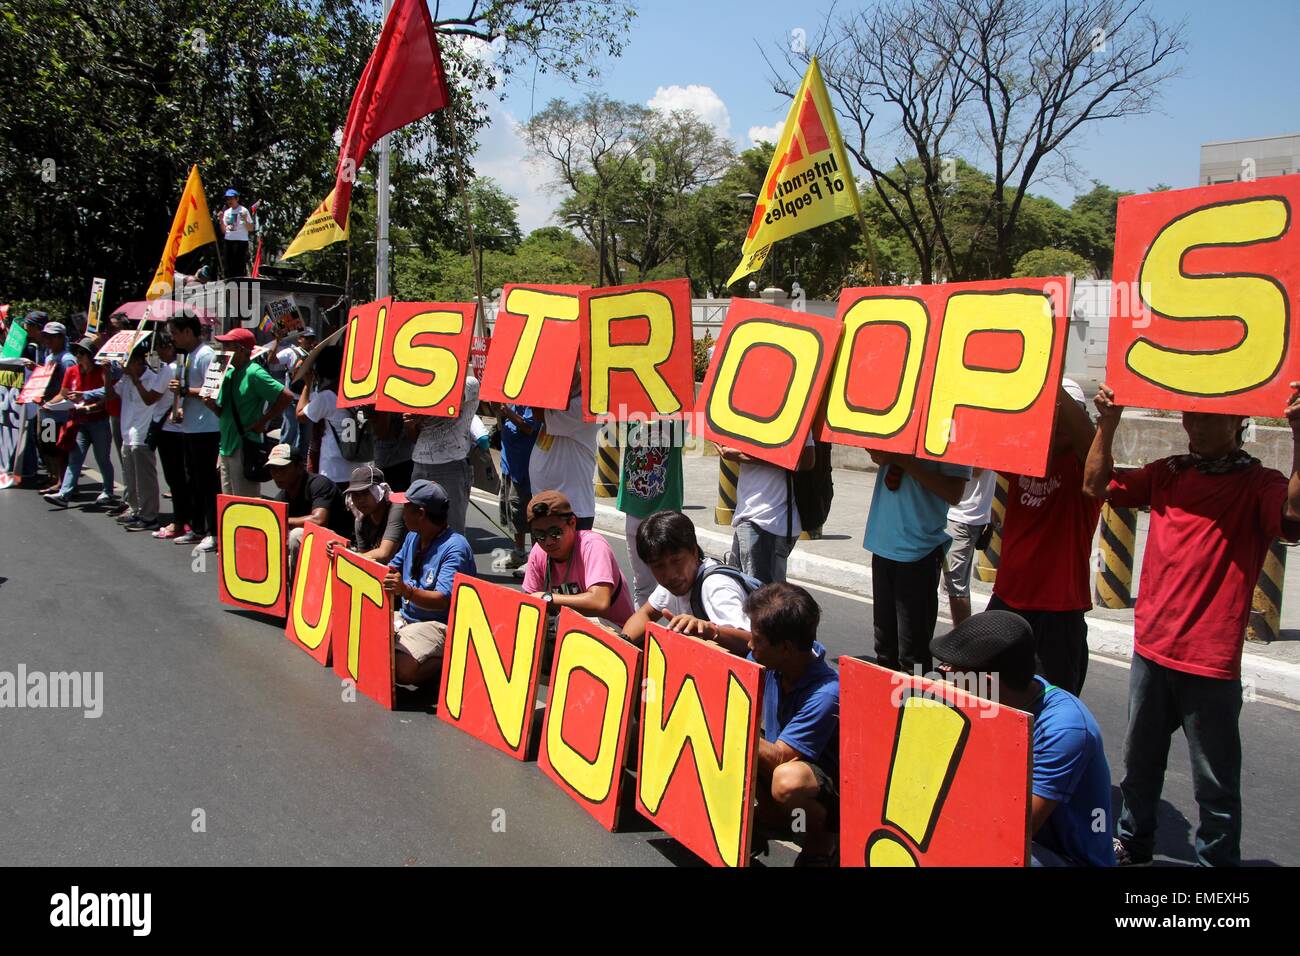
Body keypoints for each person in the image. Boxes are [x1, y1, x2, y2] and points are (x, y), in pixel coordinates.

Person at [1085, 382, 1300, 868]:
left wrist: (1298, 433)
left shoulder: (1258, 484)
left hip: (1209, 664)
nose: (1195, 426)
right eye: (1191, 416)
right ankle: (1133, 845)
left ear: (1238, 423)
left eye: (1209, 418)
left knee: (1215, 786)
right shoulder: (1168, 473)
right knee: (1139, 769)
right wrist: (1108, 422)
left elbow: (1294, 515)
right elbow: (1095, 486)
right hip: (1150, 652)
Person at [931, 610, 1115, 867]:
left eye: (952, 673)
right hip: (1012, 828)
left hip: (1064, 855)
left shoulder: (1065, 730)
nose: (945, 678)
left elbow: (1014, 832)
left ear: (985, 683)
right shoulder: (1009, 694)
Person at [989, 381, 1100, 695]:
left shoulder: (1088, 471)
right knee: (991, 699)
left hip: (1057, 612)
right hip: (1007, 600)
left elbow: (1087, 440)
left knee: (1048, 704)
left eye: (1060, 417)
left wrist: (1049, 377)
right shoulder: (1023, 456)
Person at [745, 582, 840, 867]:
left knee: (788, 782)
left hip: (822, 788)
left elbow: (780, 759)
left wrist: (722, 719)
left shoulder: (827, 693)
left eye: (757, 640)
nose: (750, 645)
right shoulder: (774, 660)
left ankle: (821, 844)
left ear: (785, 647)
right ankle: (768, 822)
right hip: (780, 767)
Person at [863, 451, 970, 677]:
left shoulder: (950, 430)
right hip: (883, 542)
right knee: (884, 650)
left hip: (919, 551)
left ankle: (914, 708)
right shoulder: (899, 420)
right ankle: (886, 709)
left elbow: (954, 493)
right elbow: (877, 456)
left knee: (913, 656)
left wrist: (904, 461)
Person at [382, 479, 477, 687]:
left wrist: (406, 591)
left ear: (421, 513)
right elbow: (388, 568)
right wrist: (348, 554)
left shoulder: (455, 547)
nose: (401, 511)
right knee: (369, 644)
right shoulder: (412, 537)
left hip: (439, 624)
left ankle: (452, 663)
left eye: (406, 507)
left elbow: (443, 600)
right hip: (407, 617)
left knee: (399, 669)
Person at [622, 509, 755, 655]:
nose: (670, 574)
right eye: (658, 566)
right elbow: (646, 613)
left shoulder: (716, 587)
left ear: (694, 552)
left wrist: (710, 630)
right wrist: (622, 645)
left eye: (676, 561)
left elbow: (752, 643)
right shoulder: (674, 583)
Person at [520, 490, 635, 630]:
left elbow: (600, 603)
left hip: (615, 632)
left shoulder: (592, 546)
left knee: (563, 622)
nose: (548, 542)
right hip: (565, 628)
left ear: (572, 522)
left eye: (555, 532)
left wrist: (548, 598)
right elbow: (529, 605)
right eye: (540, 535)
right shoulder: (538, 552)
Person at [207, 327, 295, 498]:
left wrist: (262, 422)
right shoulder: (229, 372)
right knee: (228, 502)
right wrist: (210, 405)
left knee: (245, 503)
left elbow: (286, 397)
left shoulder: (254, 373)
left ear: (241, 350)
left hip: (243, 446)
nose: (224, 350)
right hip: (226, 446)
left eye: (228, 345)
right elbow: (223, 412)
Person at [719, 435, 816, 585]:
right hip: (750, 516)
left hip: (769, 520)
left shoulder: (796, 413)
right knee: (739, 590)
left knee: (765, 600)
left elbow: (807, 460)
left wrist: (744, 457)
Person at [167, 314, 221, 552]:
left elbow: (214, 388)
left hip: (207, 429)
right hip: (190, 427)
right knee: (193, 481)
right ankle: (197, 527)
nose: (173, 338)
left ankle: (213, 532)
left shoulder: (207, 355)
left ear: (188, 331)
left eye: (175, 333)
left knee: (207, 482)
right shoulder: (187, 356)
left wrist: (187, 390)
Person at [616, 419, 685, 605]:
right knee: (642, 585)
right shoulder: (632, 413)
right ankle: (642, 631)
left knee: (676, 584)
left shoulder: (677, 418)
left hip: (665, 514)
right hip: (634, 510)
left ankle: (673, 631)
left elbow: (682, 433)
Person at [43, 337, 116, 507]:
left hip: (99, 421)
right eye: (76, 352)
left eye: (82, 353)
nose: (78, 356)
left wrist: (90, 408)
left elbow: (106, 395)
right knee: (75, 458)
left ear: (90, 356)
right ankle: (64, 493)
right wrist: (48, 404)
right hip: (79, 422)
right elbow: (63, 394)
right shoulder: (72, 371)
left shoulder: (101, 372)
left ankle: (108, 491)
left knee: (102, 458)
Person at [528, 369, 600, 531]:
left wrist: (533, 383)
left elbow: (539, 414)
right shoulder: (561, 401)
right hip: (545, 504)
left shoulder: (584, 406)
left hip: (570, 509)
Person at [268, 442, 352, 577]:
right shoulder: (282, 497)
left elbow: (319, 521)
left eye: (282, 469)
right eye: (273, 470)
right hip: (315, 546)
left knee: (296, 535)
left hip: (339, 545)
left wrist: (280, 520)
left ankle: (296, 591)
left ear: (299, 467)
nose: (277, 474)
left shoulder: (319, 484)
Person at [408, 373, 479, 533]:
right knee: (417, 525)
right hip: (420, 464)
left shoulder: (469, 383)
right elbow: (415, 436)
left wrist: (419, 409)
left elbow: (450, 399)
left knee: (452, 526)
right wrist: (411, 424)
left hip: (450, 466)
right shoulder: (423, 386)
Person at [112, 346, 166, 530]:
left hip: (142, 433)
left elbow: (149, 399)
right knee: (130, 476)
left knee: (145, 478)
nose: (123, 366)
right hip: (127, 432)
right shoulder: (125, 378)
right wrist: (106, 374)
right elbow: (111, 394)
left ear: (137, 362)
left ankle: (149, 515)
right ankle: (135, 509)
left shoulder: (151, 378)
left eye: (127, 361)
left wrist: (136, 380)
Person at [942, 469, 996, 625]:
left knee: (956, 587)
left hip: (962, 515)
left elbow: (975, 470)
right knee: (950, 584)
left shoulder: (980, 444)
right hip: (964, 514)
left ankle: (962, 643)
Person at [151, 335, 192, 540]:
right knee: (181, 478)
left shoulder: (171, 368)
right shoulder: (183, 366)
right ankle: (186, 519)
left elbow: (150, 396)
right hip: (181, 428)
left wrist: (132, 375)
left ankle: (180, 521)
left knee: (175, 479)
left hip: (170, 428)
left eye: (160, 347)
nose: (158, 351)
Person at [296, 345, 353, 489]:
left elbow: (300, 415)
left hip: (334, 468)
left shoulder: (327, 396)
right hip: (357, 463)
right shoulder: (351, 389)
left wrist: (307, 384)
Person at [325, 464, 407, 564]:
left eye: (365, 493)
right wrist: (343, 550)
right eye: (355, 495)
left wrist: (347, 555)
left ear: (380, 491)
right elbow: (364, 559)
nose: (360, 500)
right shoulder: (361, 520)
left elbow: (384, 554)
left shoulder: (397, 509)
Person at [33, 320, 78, 494]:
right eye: (46, 337)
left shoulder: (67, 360)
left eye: (51, 337)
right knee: (47, 443)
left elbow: (70, 388)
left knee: (61, 448)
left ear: (60, 338)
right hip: (47, 411)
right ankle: (55, 478)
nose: (48, 341)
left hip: (61, 413)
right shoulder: (50, 357)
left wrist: (51, 403)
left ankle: (64, 483)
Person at [493, 402, 537, 572]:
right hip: (508, 462)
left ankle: (535, 558)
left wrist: (505, 410)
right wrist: (498, 410)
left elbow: (529, 427)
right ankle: (519, 553)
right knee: (513, 511)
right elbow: (502, 422)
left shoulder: (531, 400)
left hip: (524, 465)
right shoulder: (511, 395)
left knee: (528, 512)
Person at [370, 409, 414, 492]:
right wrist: (384, 413)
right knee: (394, 500)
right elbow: (382, 433)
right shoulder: (378, 401)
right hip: (387, 462)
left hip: (408, 457)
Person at [219, 189, 254, 277]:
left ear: (237, 199)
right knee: (228, 266)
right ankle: (228, 285)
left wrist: (245, 219)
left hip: (241, 242)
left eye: (231, 198)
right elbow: (224, 231)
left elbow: (250, 229)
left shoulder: (244, 210)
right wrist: (221, 220)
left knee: (239, 266)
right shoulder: (227, 212)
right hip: (229, 241)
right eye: (228, 199)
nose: (229, 201)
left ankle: (239, 287)